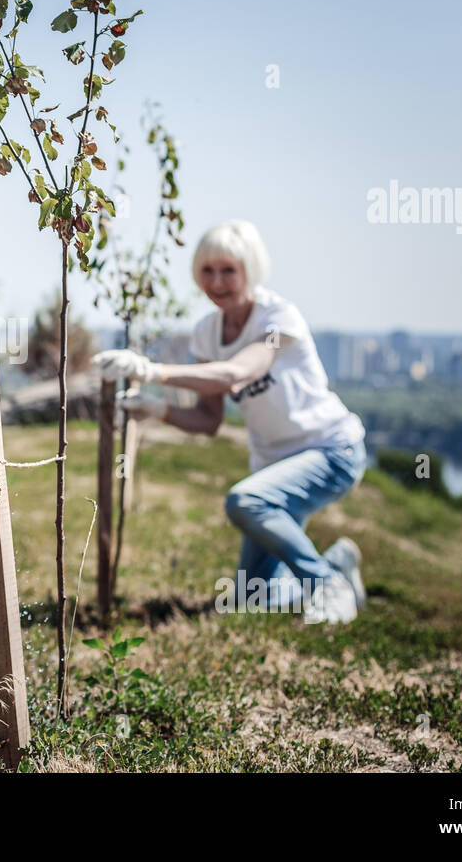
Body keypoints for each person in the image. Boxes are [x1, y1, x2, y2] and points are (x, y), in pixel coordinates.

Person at [92, 219, 368, 624]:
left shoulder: (278, 319)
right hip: (275, 468)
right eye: (208, 271)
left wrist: (150, 371)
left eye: (228, 271)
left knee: (246, 501)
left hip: (331, 451)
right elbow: (208, 419)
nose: (217, 282)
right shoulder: (207, 332)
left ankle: (327, 586)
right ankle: (335, 564)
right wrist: (156, 409)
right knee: (253, 595)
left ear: (249, 270)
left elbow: (236, 374)